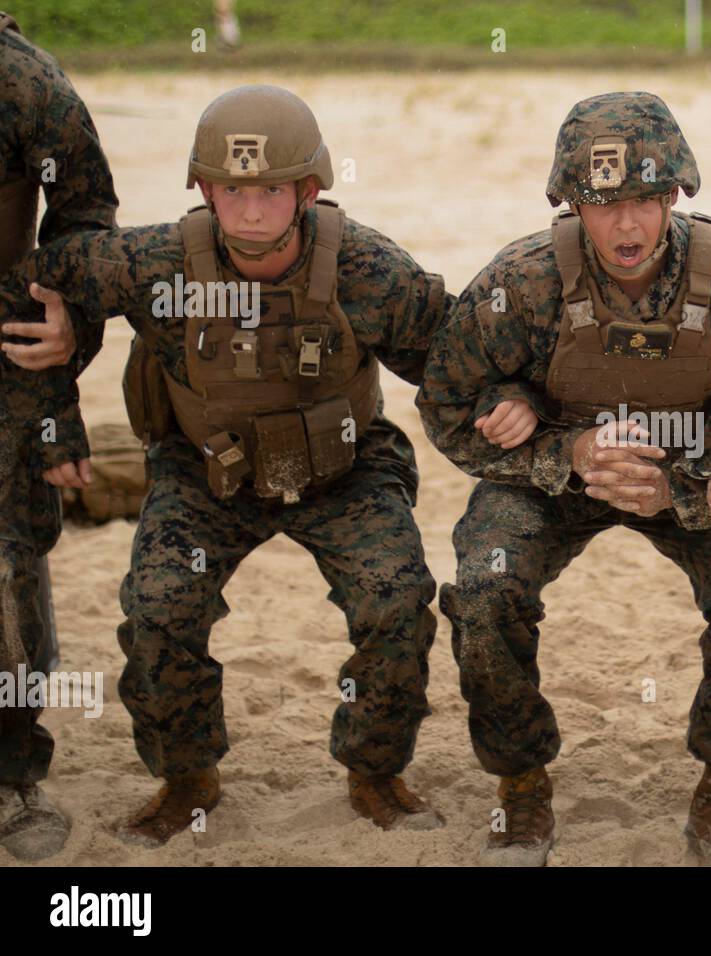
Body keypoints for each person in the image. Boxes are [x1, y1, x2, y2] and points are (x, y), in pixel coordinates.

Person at [1, 84, 474, 847]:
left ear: (308, 190)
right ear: (205, 190)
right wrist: (60, 366)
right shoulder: (155, 261)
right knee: (157, 608)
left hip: (342, 470)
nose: (250, 210)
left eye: (270, 191)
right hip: (206, 475)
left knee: (396, 601)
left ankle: (375, 771)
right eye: (230, 190)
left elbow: (458, 359)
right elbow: (32, 280)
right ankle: (187, 777)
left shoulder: (366, 269)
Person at [418, 91, 711, 866]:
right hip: (559, 472)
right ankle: (521, 787)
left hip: (694, 474)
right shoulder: (524, 282)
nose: (628, 226)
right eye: (603, 204)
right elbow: (443, 405)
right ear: (573, 205)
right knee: (484, 587)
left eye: (646, 199)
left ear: (675, 194)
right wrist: (557, 450)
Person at [0, 10, 118, 861]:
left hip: (4, 342)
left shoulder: (27, 83)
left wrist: (70, 313)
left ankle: (11, 771)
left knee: (9, 551)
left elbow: (85, 215)